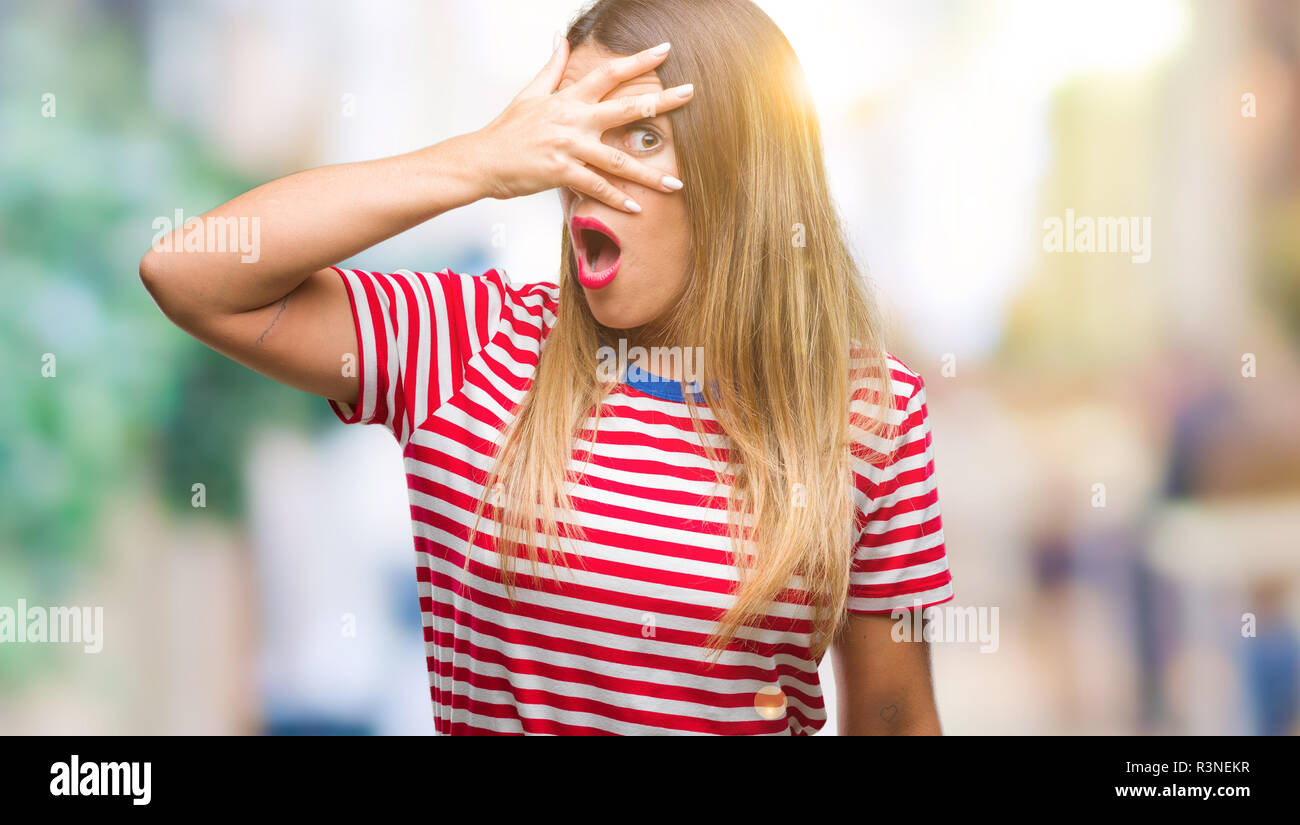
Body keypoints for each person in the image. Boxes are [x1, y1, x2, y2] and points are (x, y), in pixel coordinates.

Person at [140, 0, 953, 735]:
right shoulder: (467, 347)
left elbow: (895, 719)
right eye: (571, 133)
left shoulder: (868, 413)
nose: (585, 174)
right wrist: (478, 161)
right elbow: (193, 274)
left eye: (637, 134)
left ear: (739, 170)